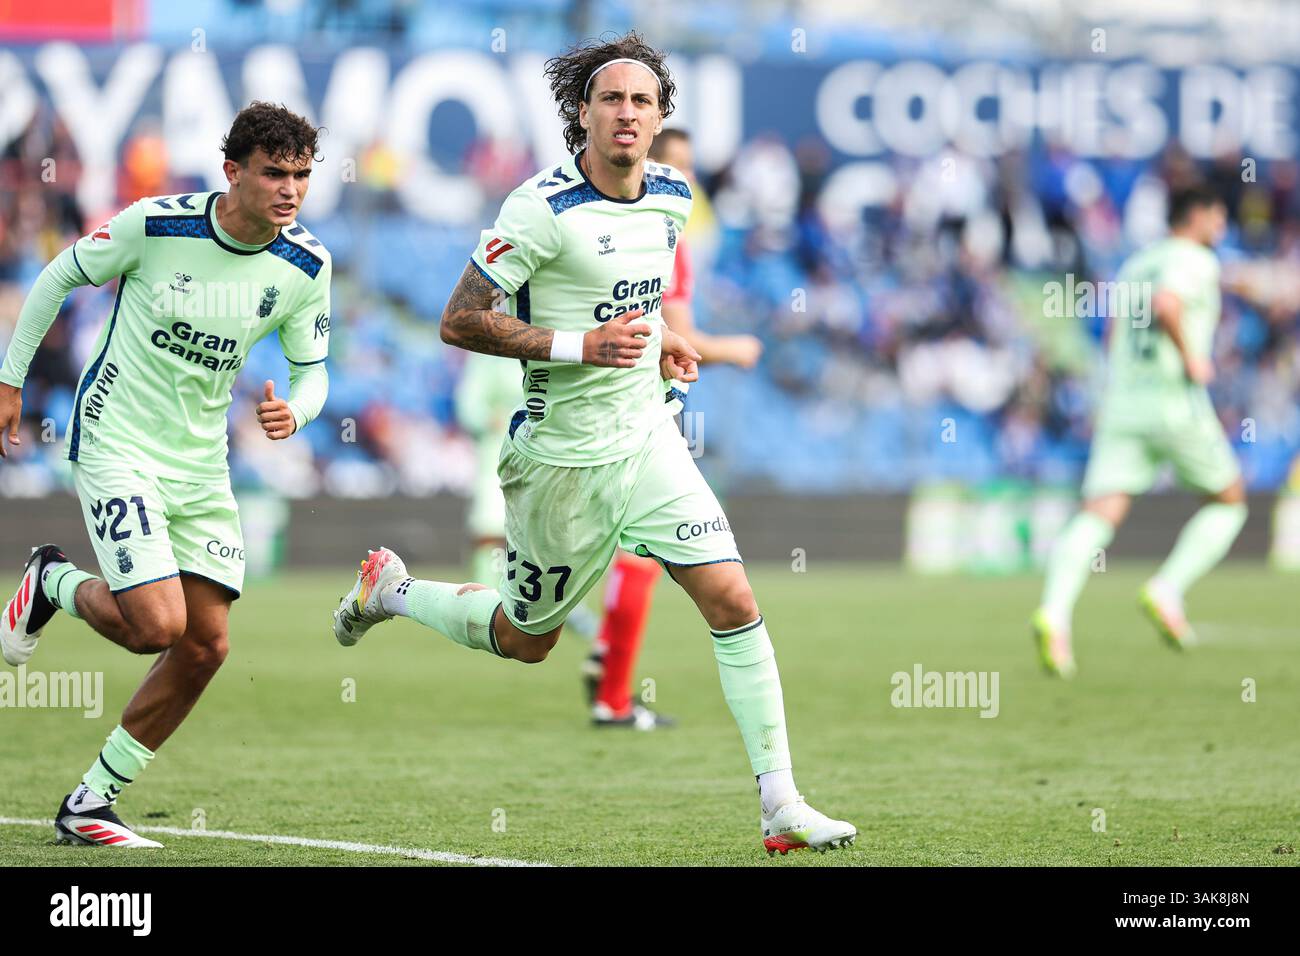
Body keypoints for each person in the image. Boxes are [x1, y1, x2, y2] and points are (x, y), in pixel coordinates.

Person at [332, 32, 855, 855]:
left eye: (642, 101)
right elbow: (458, 319)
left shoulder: (675, 196)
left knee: (735, 601)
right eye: (611, 99)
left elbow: (642, 308)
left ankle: (781, 803)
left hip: (649, 436)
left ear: (660, 120)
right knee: (524, 639)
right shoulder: (538, 209)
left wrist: (666, 346)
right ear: (582, 114)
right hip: (561, 462)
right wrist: (581, 345)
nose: (626, 113)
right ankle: (393, 592)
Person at [0, 102, 332, 846]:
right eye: (274, 174)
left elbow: (313, 373)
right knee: (157, 627)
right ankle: (51, 580)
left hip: (201, 463)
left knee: (207, 645)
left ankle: (90, 801)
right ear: (233, 172)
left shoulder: (307, 264)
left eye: (302, 176)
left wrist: (299, 415)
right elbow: (56, 277)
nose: (290, 190)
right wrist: (9, 380)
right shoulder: (156, 225)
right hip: (118, 439)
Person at [583, 126, 764, 730]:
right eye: (672, 163)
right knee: (640, 559)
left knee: (629, 556)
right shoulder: (666, 241)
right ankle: (611, 689)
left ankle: (608, 674)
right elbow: (683, 338)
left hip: (605, 409)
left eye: (689, 165)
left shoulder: (610, 229)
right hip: (639, 412)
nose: (682, 177)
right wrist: (735, 349)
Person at [1032, 184, 1246, 677]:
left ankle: (1054, 612)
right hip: (1173, 401)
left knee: (1099, 513)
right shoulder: (1194, 258)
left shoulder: (1134, 264)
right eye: (1218, 216)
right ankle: (1166, 587)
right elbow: (1168, 305)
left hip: (1124, 403)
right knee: (1228, 500)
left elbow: (1112, 334)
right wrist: (1193, 355)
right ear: (1197, 216)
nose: (1222, 227)